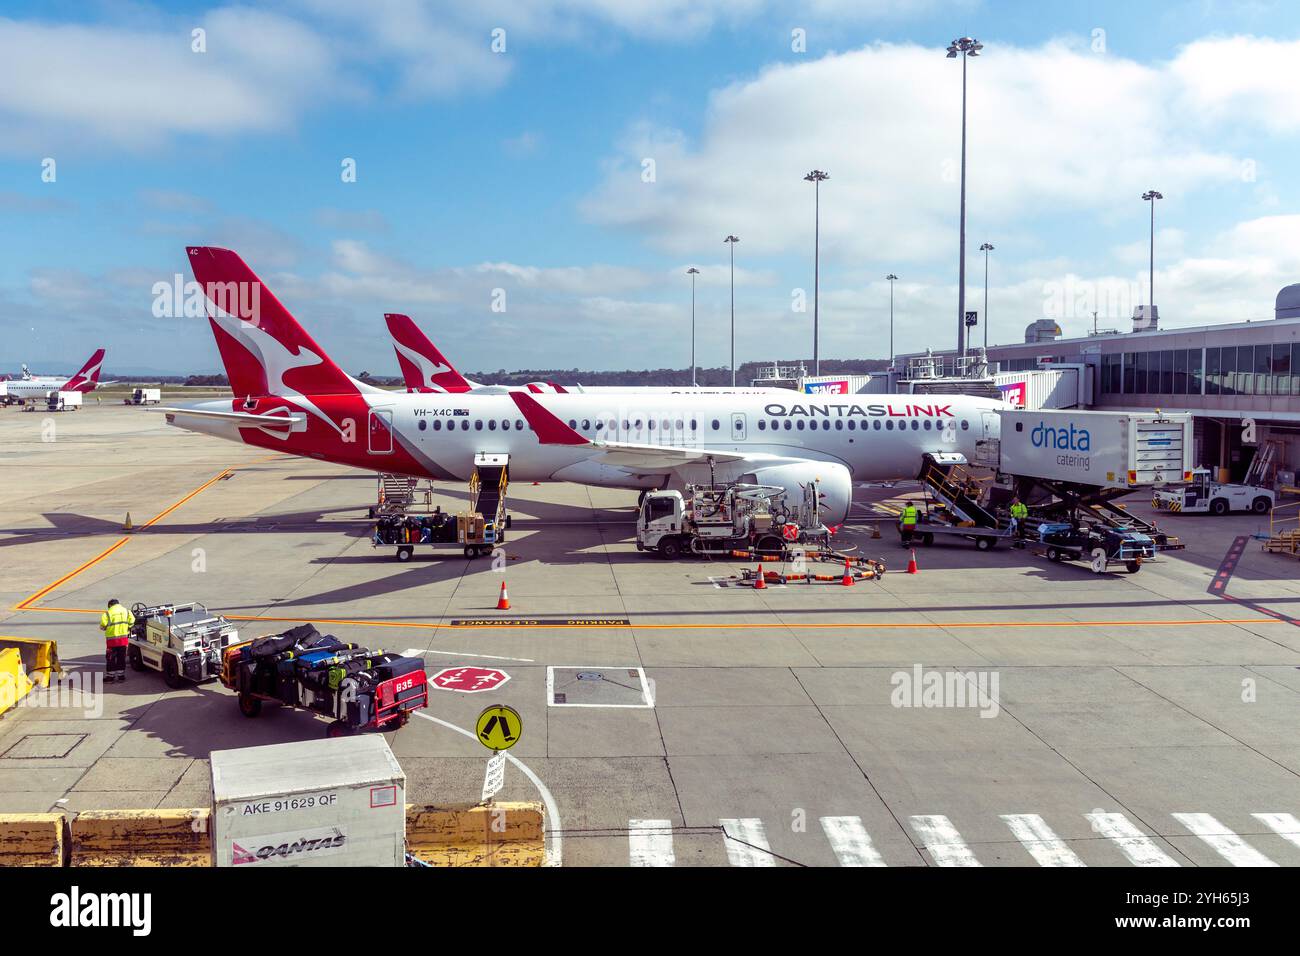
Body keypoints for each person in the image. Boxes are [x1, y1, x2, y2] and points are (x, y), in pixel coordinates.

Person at [99, 598, 135, 683]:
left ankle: (110, 677)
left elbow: (103, 626)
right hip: (123, 640)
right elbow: (132, 622)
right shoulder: (127, 611)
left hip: (112, 641)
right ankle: (121, 676)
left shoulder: (107, 614)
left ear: (110, 605)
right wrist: (127, 627)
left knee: (111, 658)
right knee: (121, 658)